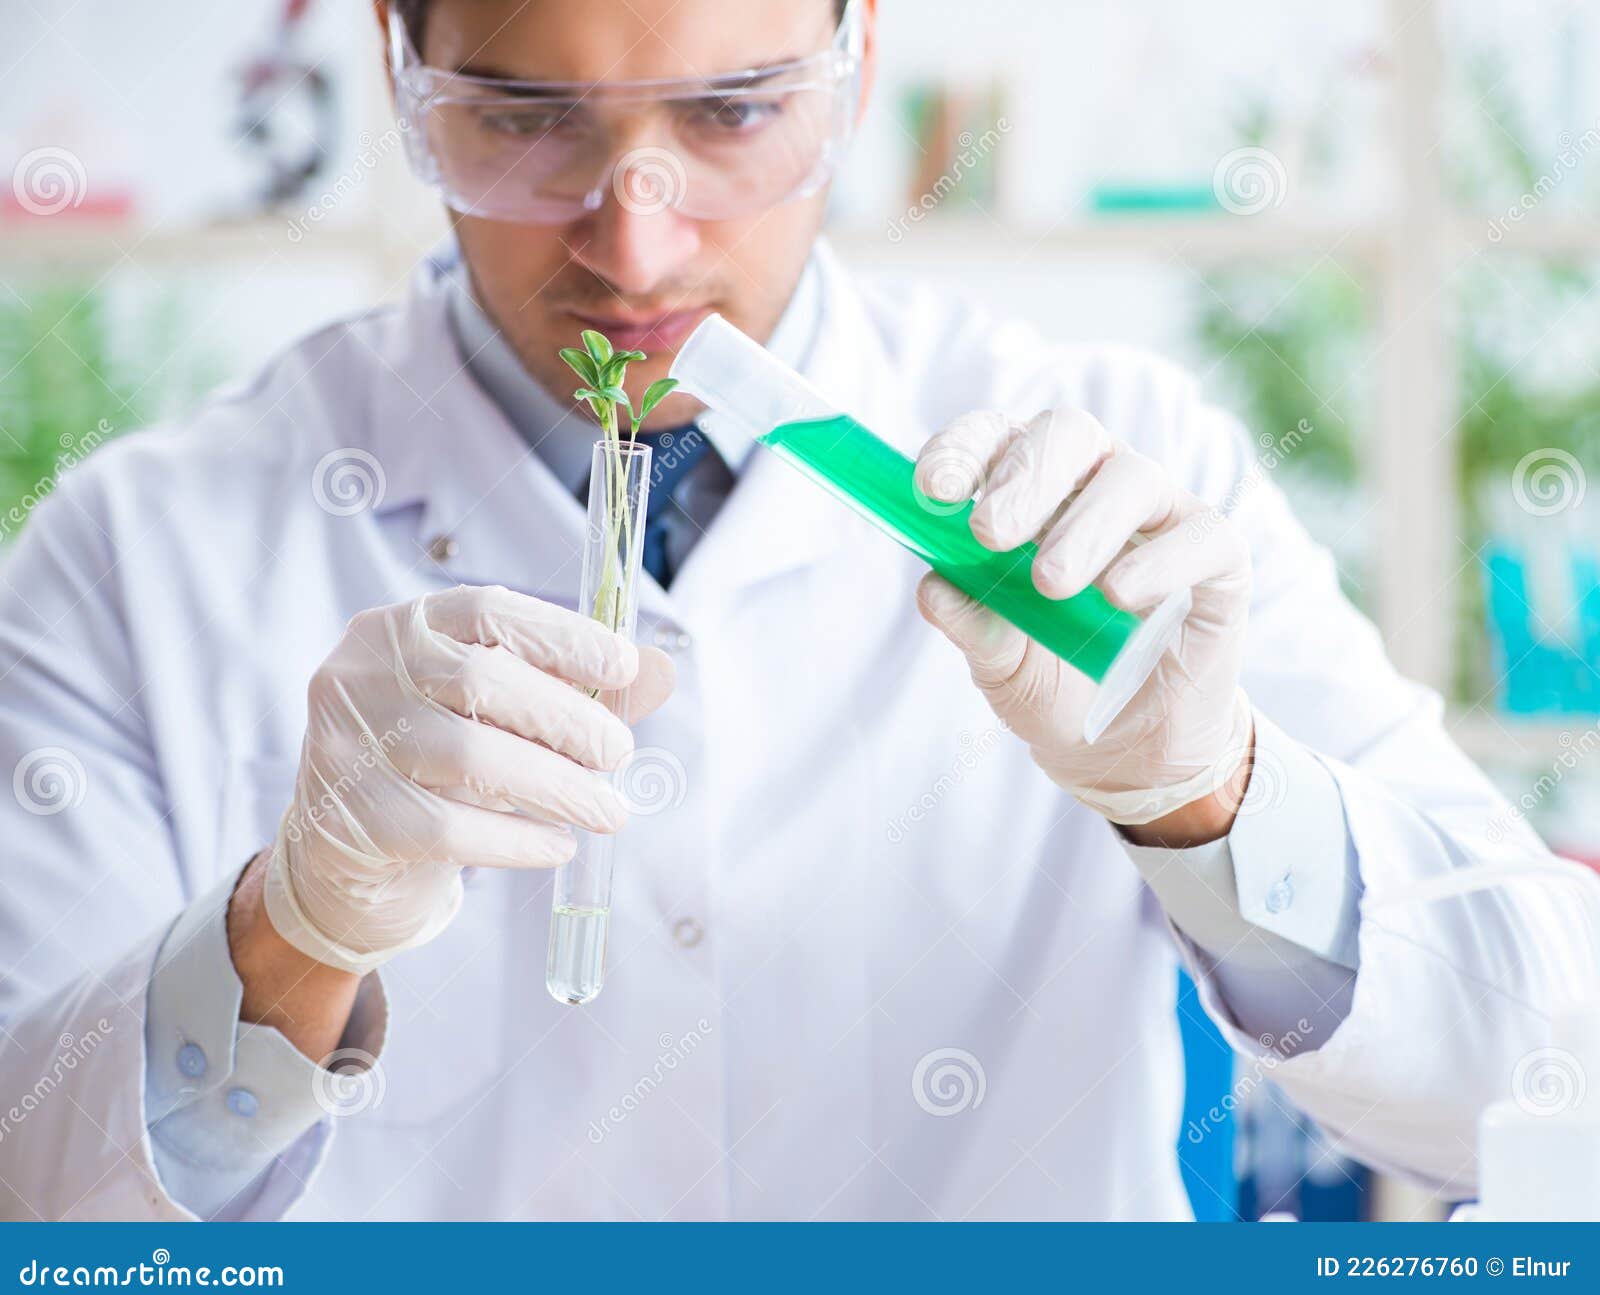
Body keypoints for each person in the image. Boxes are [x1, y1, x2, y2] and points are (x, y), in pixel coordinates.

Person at [0, 0, 1589, 1222]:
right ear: (399, 67)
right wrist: (291, 933)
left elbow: (1541, 1068)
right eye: (521, 119)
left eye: (736, 110)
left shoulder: (1127, 462)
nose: (637, 239)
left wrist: (1211, 798)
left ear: (856, 56)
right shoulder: (139, 553)